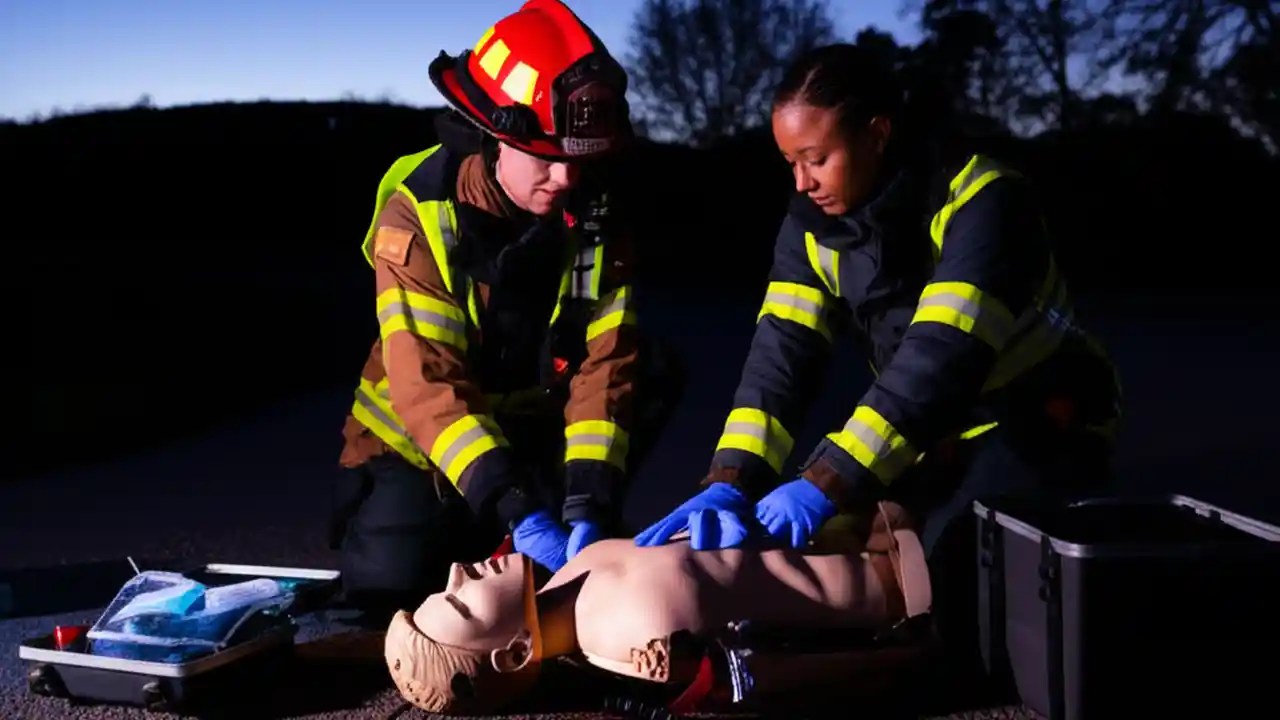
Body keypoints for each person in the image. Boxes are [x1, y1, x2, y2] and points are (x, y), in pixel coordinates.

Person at [634, 43, 1122, 676]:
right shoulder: (810, 225)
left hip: (1040, 419)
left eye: (816, 159)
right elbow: (781, 360)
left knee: (952, 582)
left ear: (878, 134)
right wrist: (730, 481)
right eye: (790, 162)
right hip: (931, 433)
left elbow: (941, 361)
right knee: (833, 543)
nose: (802, 182)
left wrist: (823, 483)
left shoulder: (985, 200)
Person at [329, 0, 681, 618]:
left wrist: (588, 502)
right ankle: (472, 518)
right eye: (546, 157)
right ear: (495, 137)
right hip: (416, 446)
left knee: (655, 368)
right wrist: (512, 503)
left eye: (579, 158)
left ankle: (553, 509)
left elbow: (607, 364)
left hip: (527, 430)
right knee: (390, 591)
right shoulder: (418, 216)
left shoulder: (598, 215)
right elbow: (429, 387)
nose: (567, 178)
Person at [383, 500, 934, 716]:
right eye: (460, 602)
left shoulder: (572, 577)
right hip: (893, 583)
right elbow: (774, 674)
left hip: (859, 525)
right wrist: (902, 657)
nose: (459, 571)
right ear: (514, 652)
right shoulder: (630, 645)